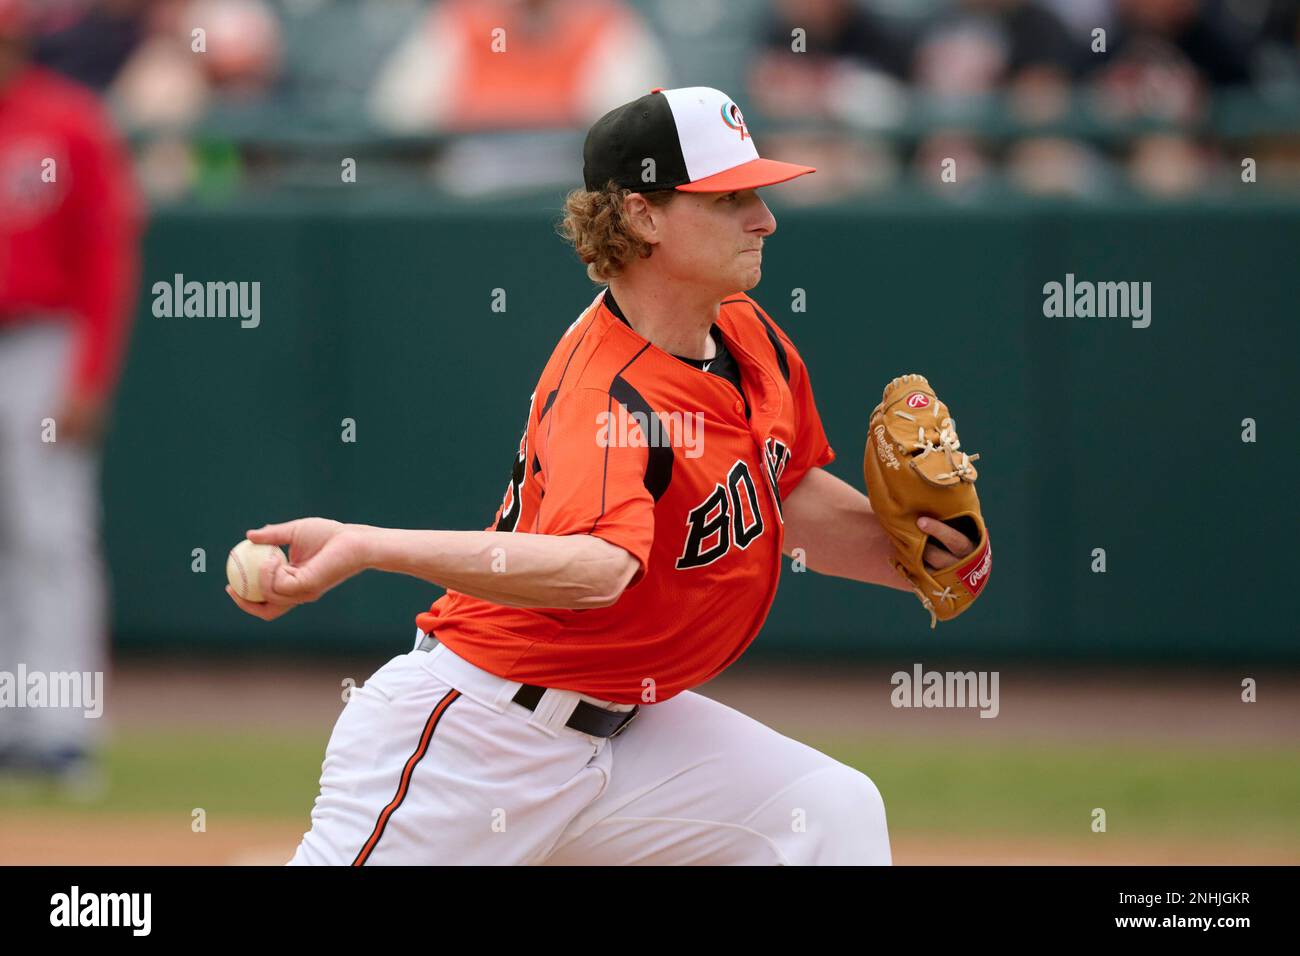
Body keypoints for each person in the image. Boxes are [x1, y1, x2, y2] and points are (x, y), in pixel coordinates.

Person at [228, 86, 979, 865]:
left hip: (630, 738)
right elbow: (596, 572)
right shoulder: (608, 392)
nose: (765, 218)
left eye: (757, 193)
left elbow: (779, 494)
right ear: (641, 216)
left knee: (830, 812)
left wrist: (925, 553)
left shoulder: (748, 333)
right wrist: (367, 545)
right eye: (729, 199)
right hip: (479, 740)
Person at [0, 0, 142, 788]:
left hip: (41, 341)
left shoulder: (69, 121)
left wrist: (89, 375)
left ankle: (61, 728)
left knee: (49, 534)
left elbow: (106, 256)